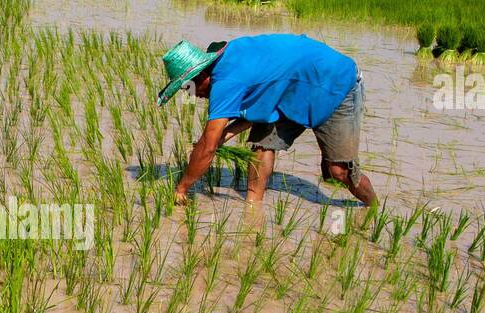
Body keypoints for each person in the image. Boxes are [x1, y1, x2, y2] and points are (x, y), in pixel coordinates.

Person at [157, 35, 377, 208]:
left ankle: (373, 209)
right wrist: (226, 135)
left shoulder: (225, 82)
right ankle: (253, 208)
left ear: (202, 76)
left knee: (339, 172)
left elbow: (208, 147)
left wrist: (182, 188)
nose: (194, 95)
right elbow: (258, 107)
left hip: (333, 83)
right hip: (290, 90)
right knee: (262, 146)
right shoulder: (227, 63)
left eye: (190, 87)